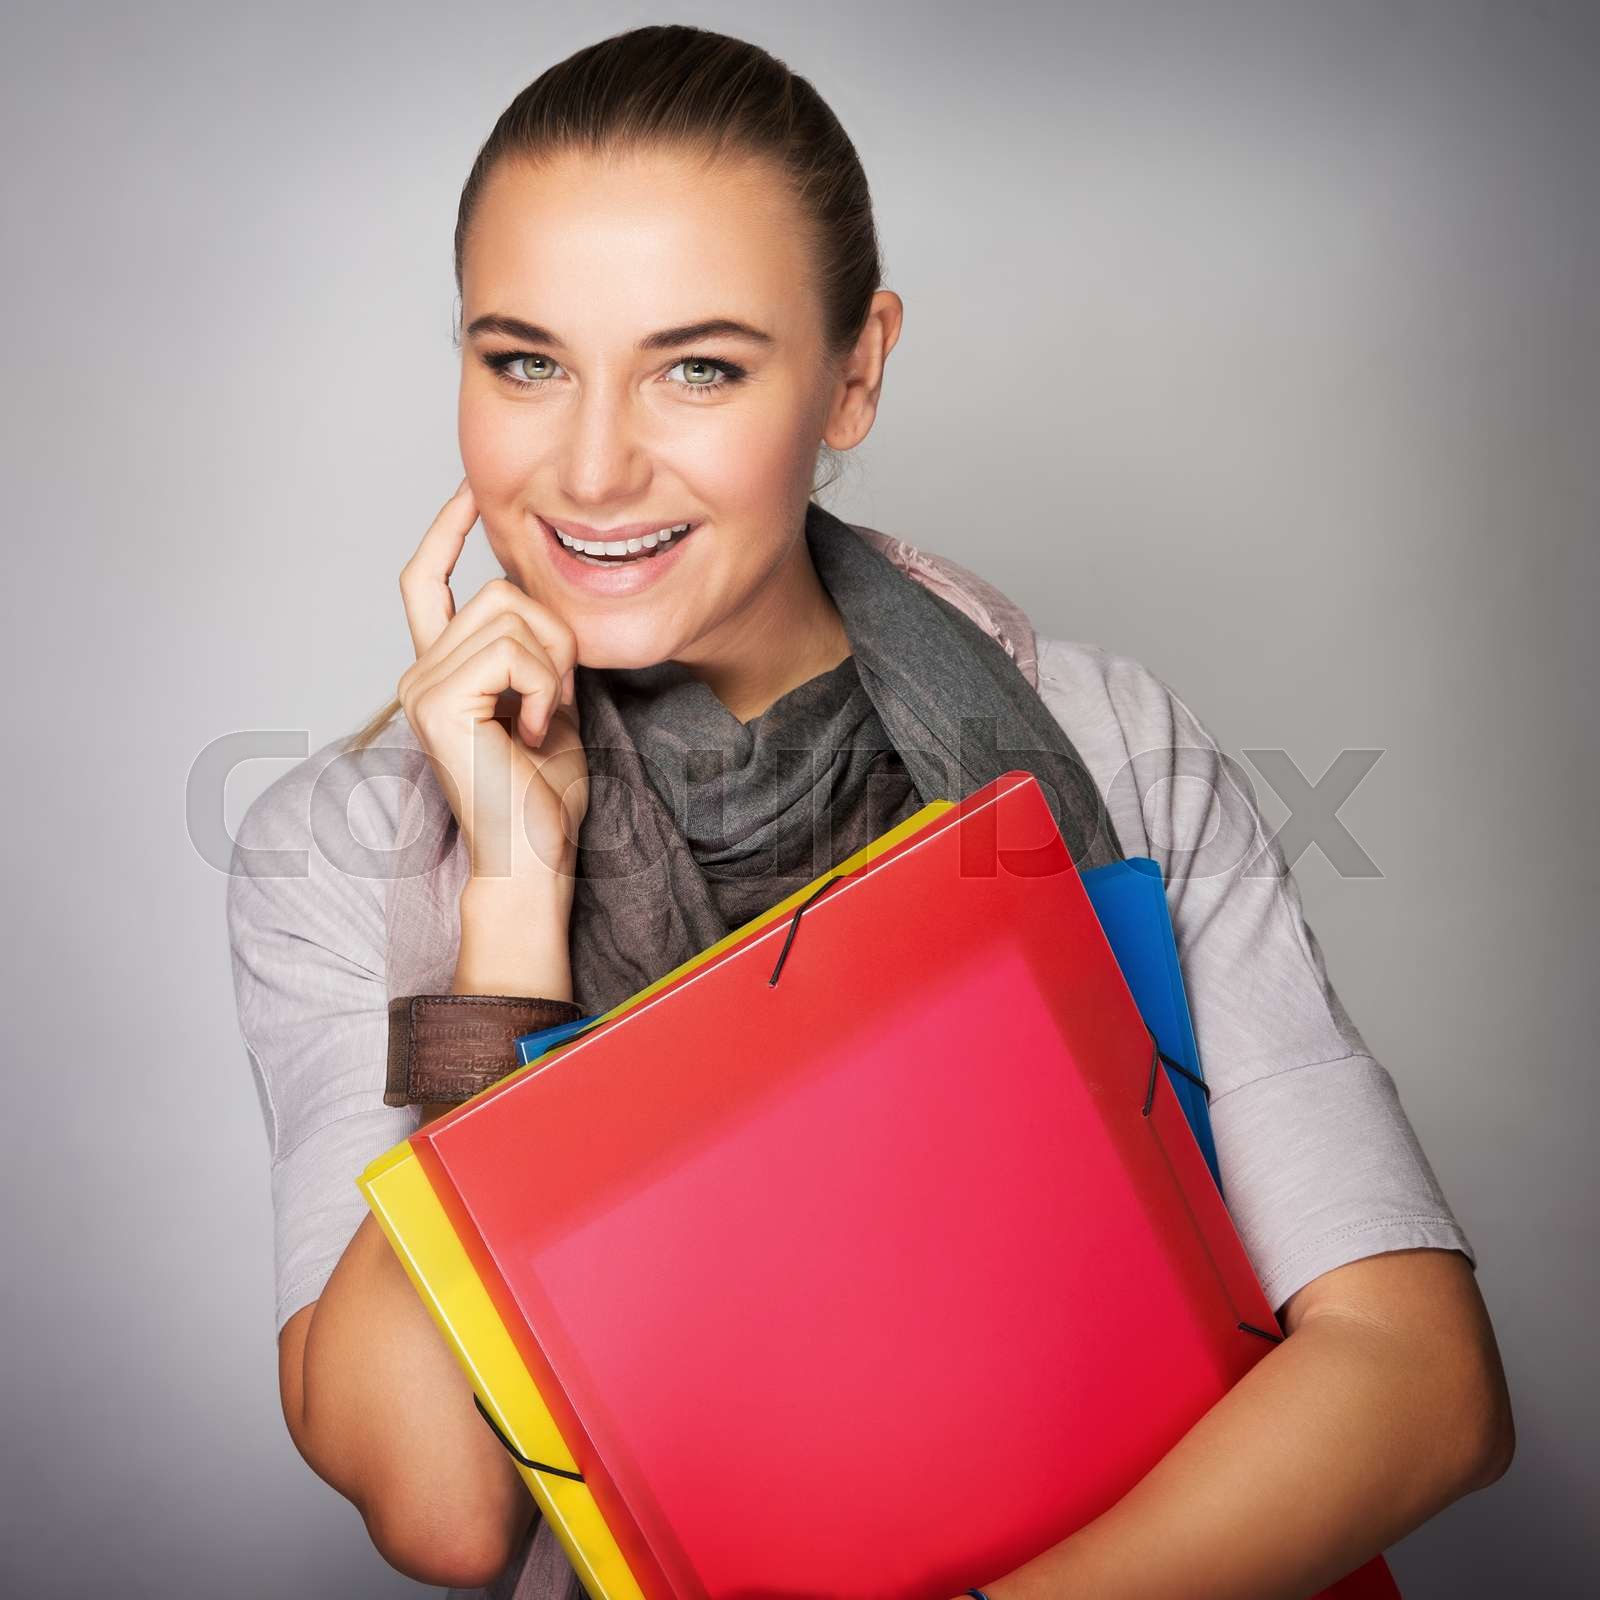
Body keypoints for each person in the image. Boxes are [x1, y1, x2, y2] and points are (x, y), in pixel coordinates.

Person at [224, 23, 1514, 1600]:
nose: (593, 463)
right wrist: (507, 886)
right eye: (526, 361)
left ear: (856, 372)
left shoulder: (1104, 741)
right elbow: (443, 1506)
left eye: (698, 365)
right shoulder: (342, 851)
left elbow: (1423, 1383)